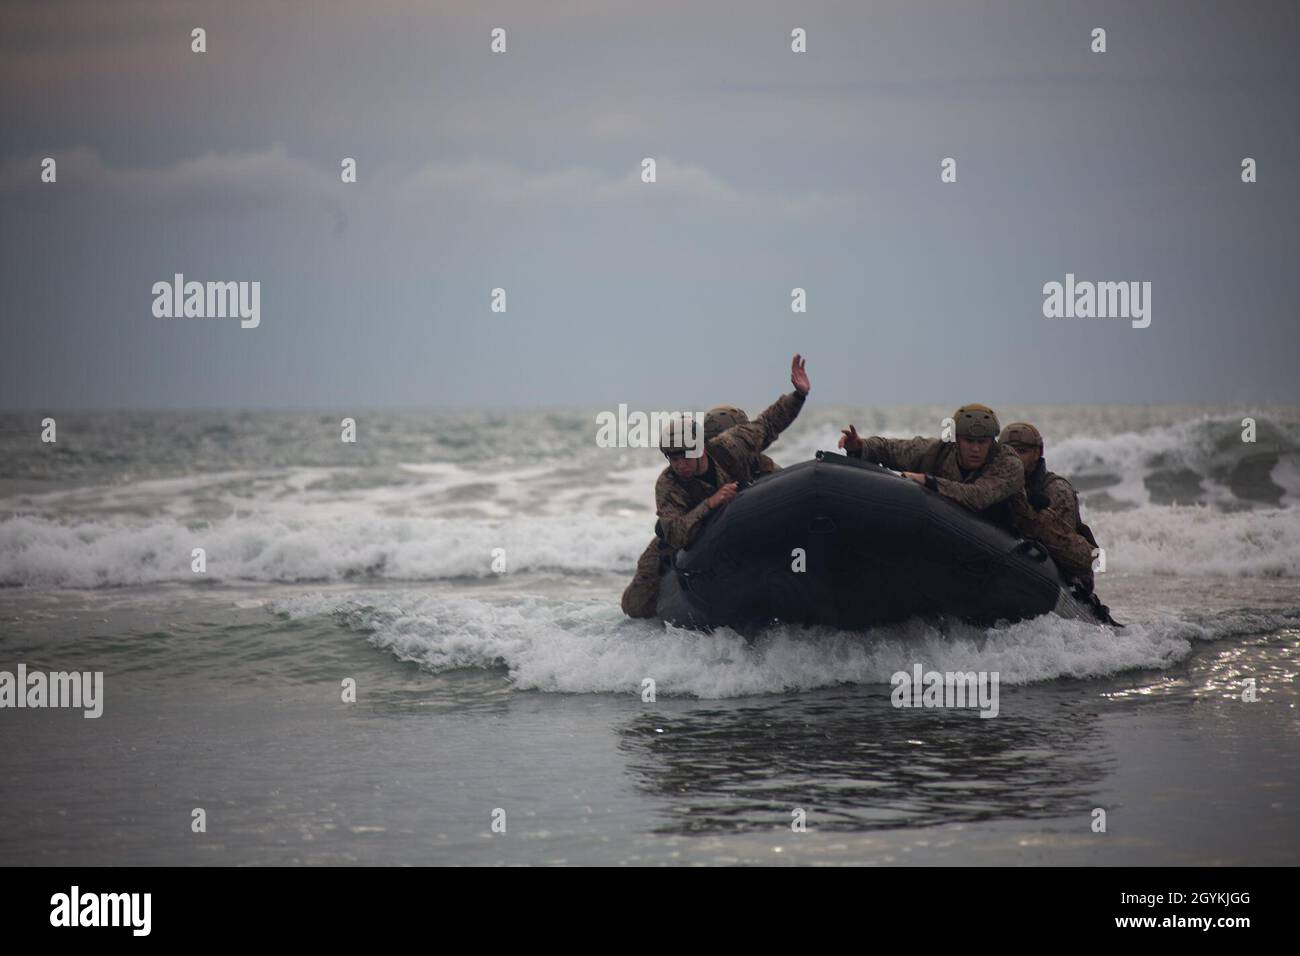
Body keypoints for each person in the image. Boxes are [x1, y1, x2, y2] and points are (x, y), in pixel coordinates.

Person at [620, 356, 809, 618]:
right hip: (686, 532)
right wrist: (712, 503)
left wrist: (798, 395)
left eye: (685, 455)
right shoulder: (668, 483)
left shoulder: (729, 447)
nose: (680, 464)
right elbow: (676, 533)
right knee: (634, 605)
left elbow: (767, 424)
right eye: (673, 458)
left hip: (742, 514)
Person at [838, 405, 1097, 588]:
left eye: (982, 442)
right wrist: (862, 446)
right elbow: (894, 449)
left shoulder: (1008, 463)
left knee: (1082, 559)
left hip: (1023, 527)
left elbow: (978, 496)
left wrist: (928, 481)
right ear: (957, 439)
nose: (975, 448)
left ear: (992, 442)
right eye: (969, 441)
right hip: (973, 532)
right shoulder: (938, 451)